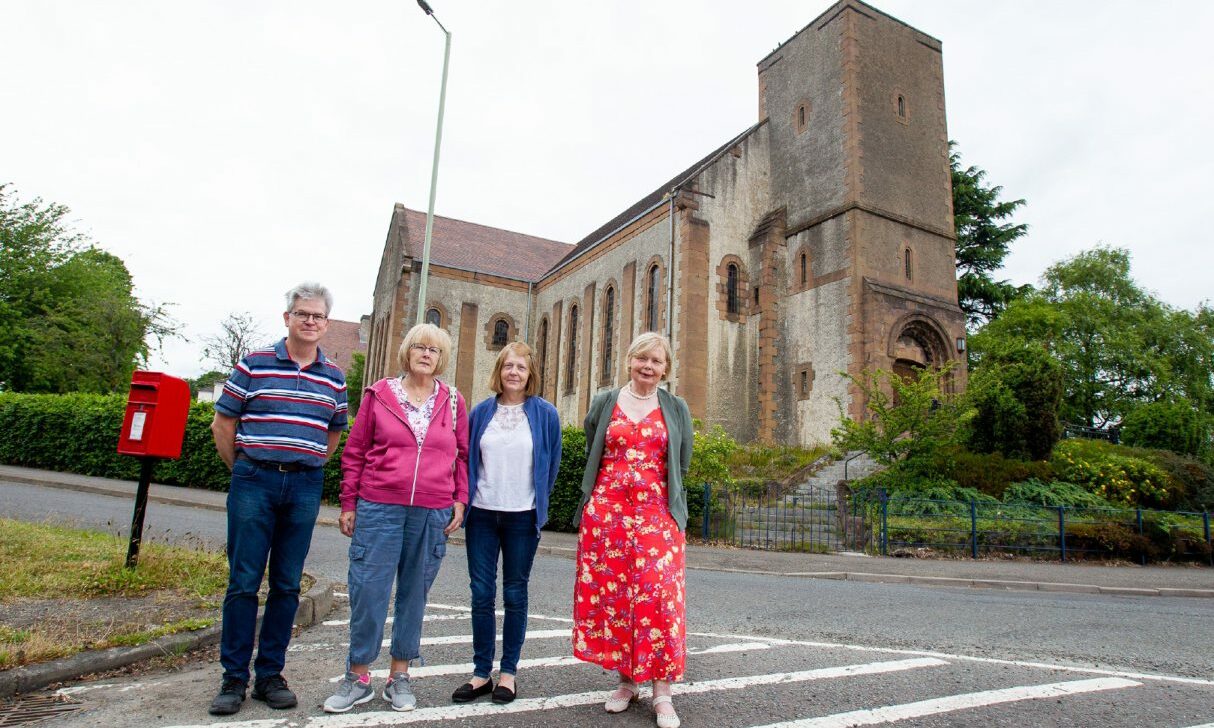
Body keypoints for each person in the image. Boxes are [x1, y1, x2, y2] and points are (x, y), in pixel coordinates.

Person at [208, 282, 348, 716]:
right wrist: (246, 470)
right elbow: (222, 424)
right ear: (287, 317)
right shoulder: (254, 364)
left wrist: (306, 463)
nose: (310, 321)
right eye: (303, 313)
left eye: (318, 316)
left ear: (326, 324)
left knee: (287, 583)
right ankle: (234, 679)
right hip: (255, 480)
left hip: (304, 485)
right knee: (244, 581)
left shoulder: (334, 376)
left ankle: (270, 674)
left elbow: (334, 431)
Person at [324, 322, 469, 714]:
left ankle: (399, 675)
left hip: (431, 509)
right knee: (368, 590)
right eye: (420, 347)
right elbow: (355, 452)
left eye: (434, 350)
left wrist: (460, 499)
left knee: (413, 595)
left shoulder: (453, 400)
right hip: (379, 506)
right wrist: (349, 503)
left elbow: (463, 456)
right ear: (407, 352)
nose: (426, 354)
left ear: (441, 359)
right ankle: (357, 677)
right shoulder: (379, 395)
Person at [572, 332, 692, 728]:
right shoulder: (605, 402)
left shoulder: (675, 407)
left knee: (659, 598)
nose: (648, 366)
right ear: (629, 360)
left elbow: (682, 461)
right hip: (608, 517)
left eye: (657, 361)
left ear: (666, 369)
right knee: (619, 599)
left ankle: (662, 692)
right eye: (642, 358)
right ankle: (626, 683)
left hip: (658, 515)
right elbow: (595, 447)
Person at [451, 342, 562, 705]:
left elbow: (553, 462)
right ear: (498, 370)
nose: (514, 372)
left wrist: (537, 502)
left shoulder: (545, 413)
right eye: (508, 366)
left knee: (515, 593)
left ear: (531, 375)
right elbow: (466, 459)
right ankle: (482, 672)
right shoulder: (481, 412)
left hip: (522, 515)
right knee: (481, 593)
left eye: (521, 368)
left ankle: (508, 673)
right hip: (481, 513)